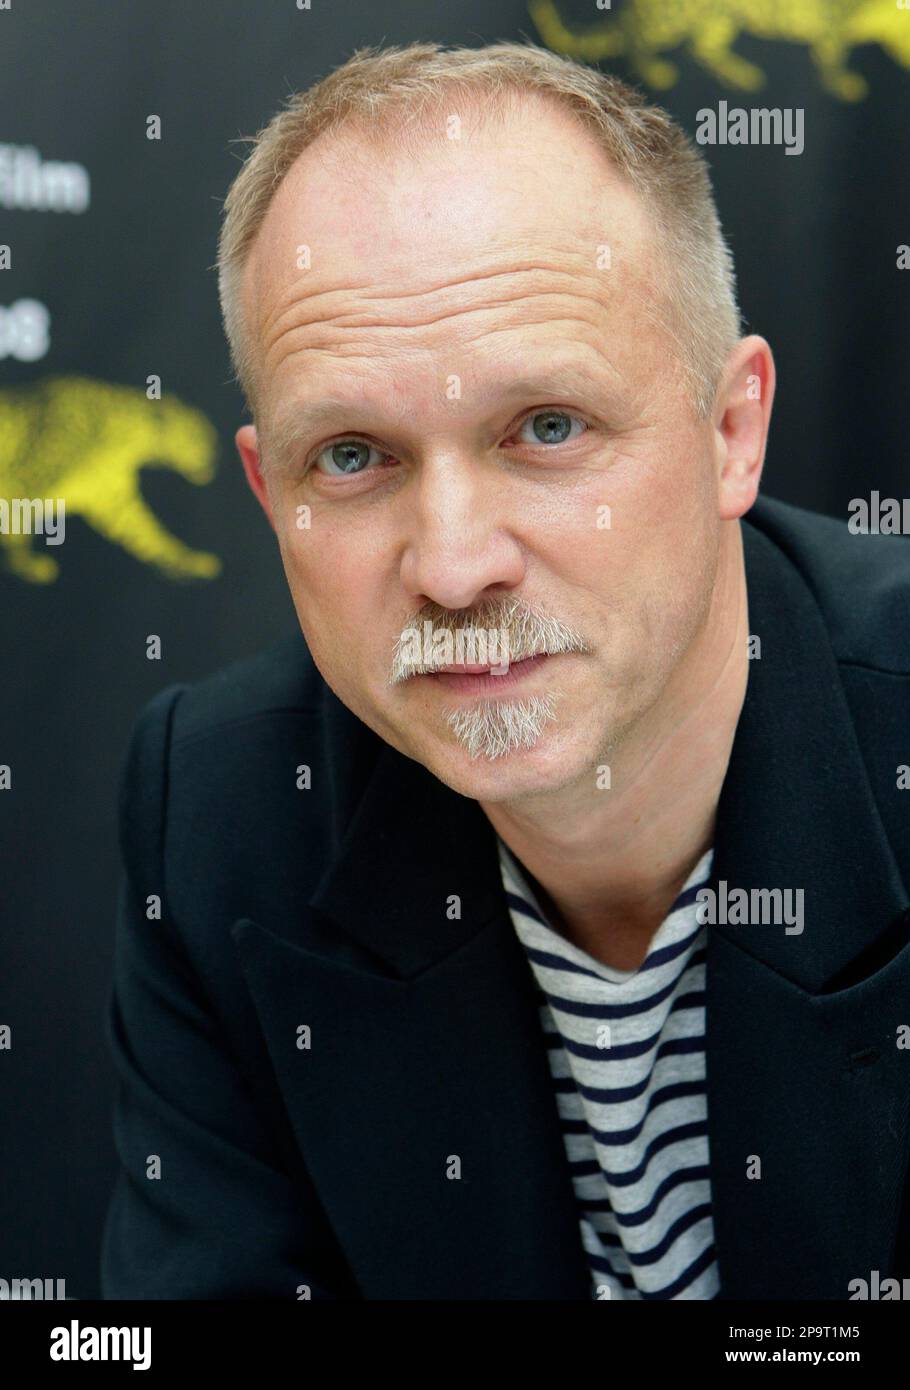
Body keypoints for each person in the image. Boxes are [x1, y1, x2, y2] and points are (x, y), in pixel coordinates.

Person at [100, 40, 910, 1301]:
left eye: (546, 427)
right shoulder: (219, 814)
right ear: (270, 497)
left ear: (729, 433)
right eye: (355, 455)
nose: (456, 564)